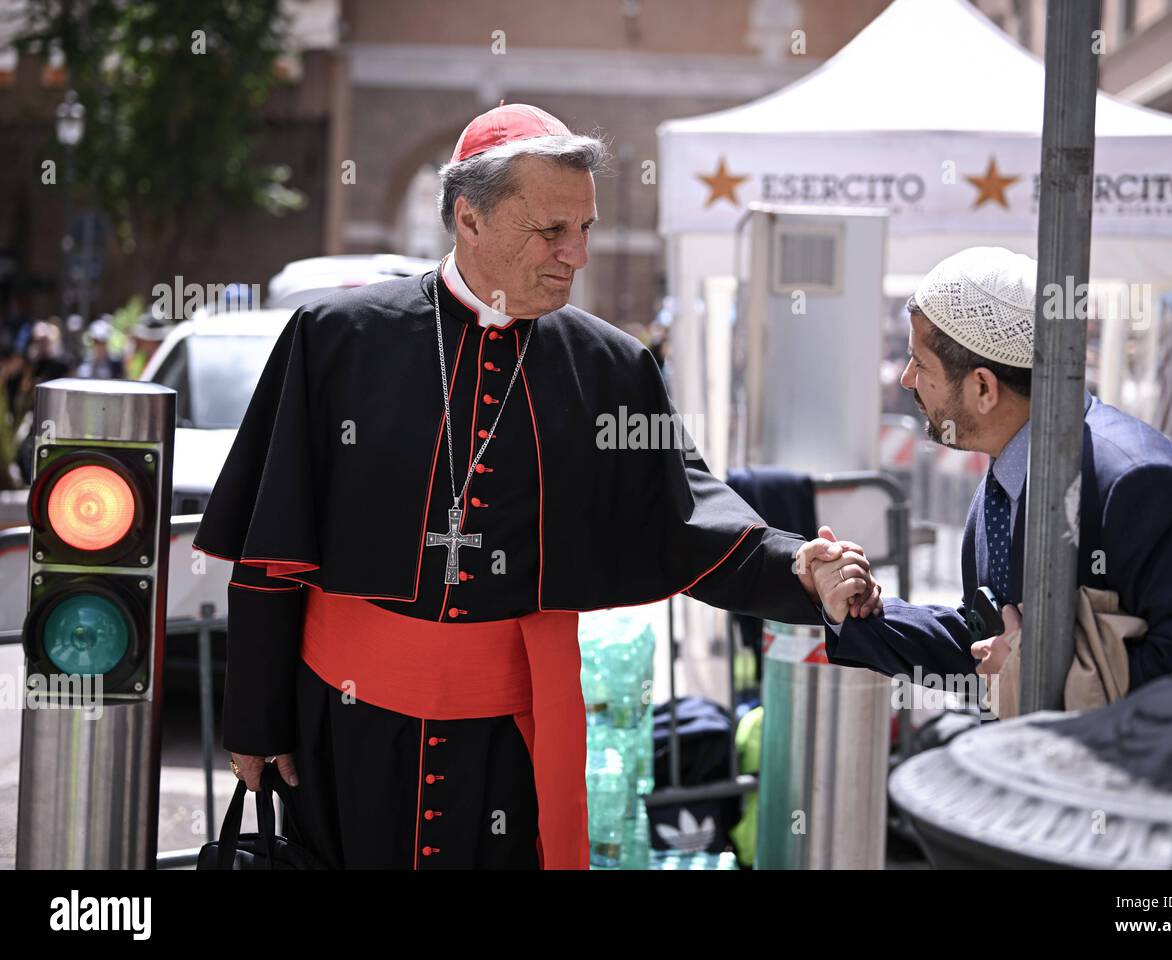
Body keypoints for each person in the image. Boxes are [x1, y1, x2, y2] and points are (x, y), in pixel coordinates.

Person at [193, 102, 874, 870]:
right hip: (348, 725)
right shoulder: (337, 339)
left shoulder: (610, 369)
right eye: (552, 230)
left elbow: (685, 519)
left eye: (583, 228)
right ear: (468, 218)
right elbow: (272, 550)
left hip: (507, 739)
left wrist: (796, 566)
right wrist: (255, 721)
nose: (575, 253)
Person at [810, 246, 1172, 699]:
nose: (906, 378)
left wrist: (1031, 671)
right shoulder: (1006, 476)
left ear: (983, 388)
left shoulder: (1140, 484)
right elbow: (984, 650)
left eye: (921, 362)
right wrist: (858, 614)